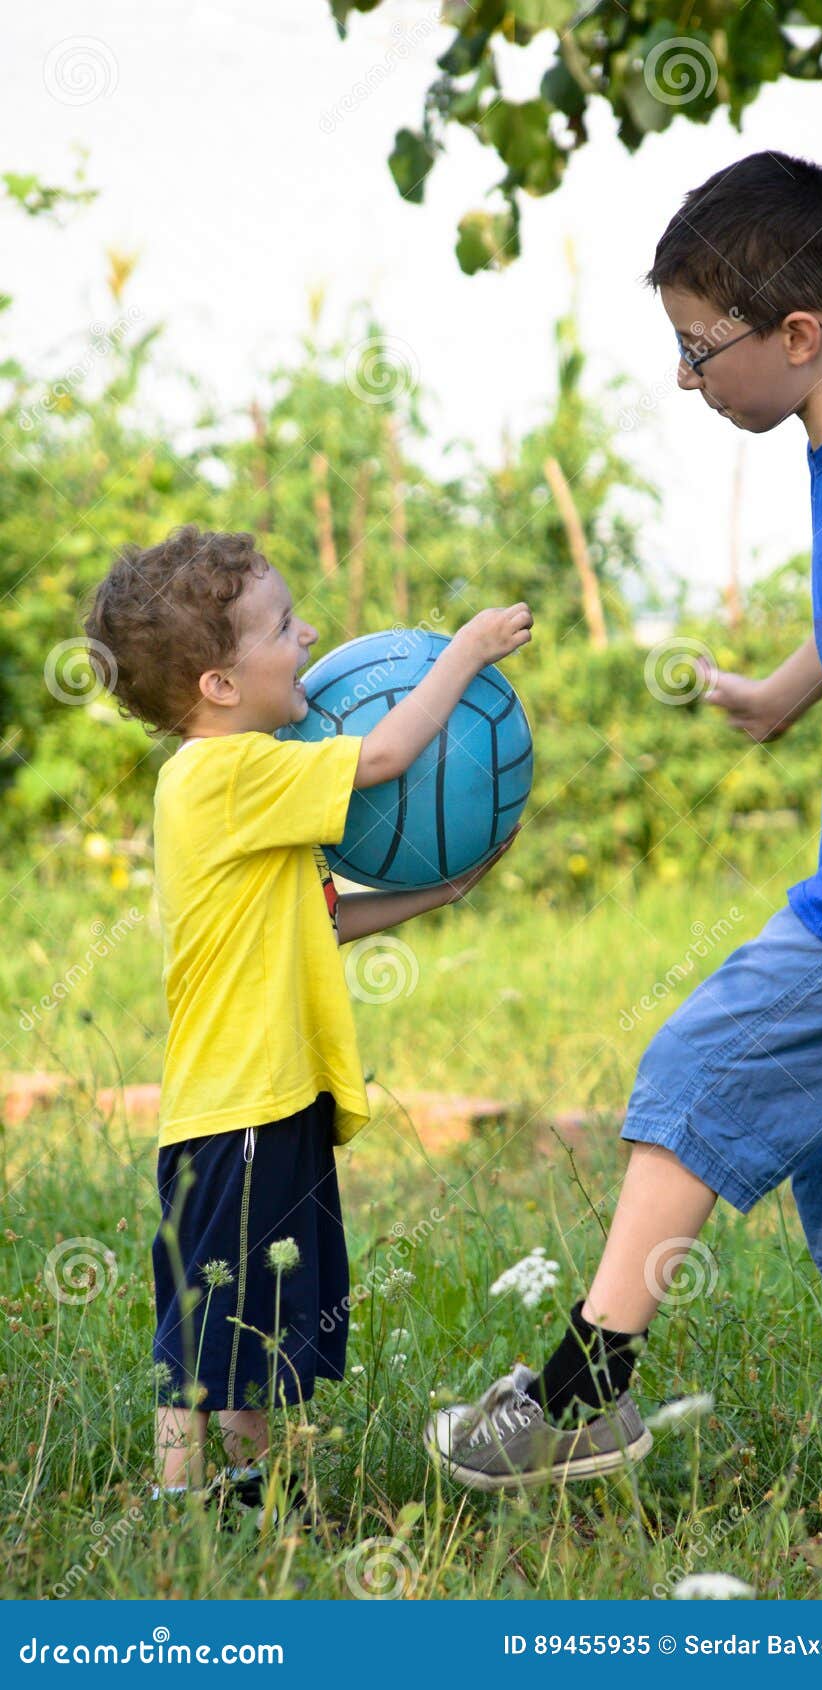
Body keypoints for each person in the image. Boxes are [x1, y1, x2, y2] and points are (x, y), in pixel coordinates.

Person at [425, 152, 822, 1542]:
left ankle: (583, 1384)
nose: (683, 378)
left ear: (796, 335)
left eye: (697, 349)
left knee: (704, 1061)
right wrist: (782, 694)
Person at [82, 523, 531, 1527]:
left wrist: (446, 888)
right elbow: (380, 753)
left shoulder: (242, 784)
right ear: (218, 686)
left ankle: (251, 1502)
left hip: (270, 1098)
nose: (312, 634)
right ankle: (175, 1511)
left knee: (254, 1319)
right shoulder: (223, 774)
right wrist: (462, 651)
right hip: (237, 1104)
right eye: (284, 625)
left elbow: (321, 917)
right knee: (209, 1323)